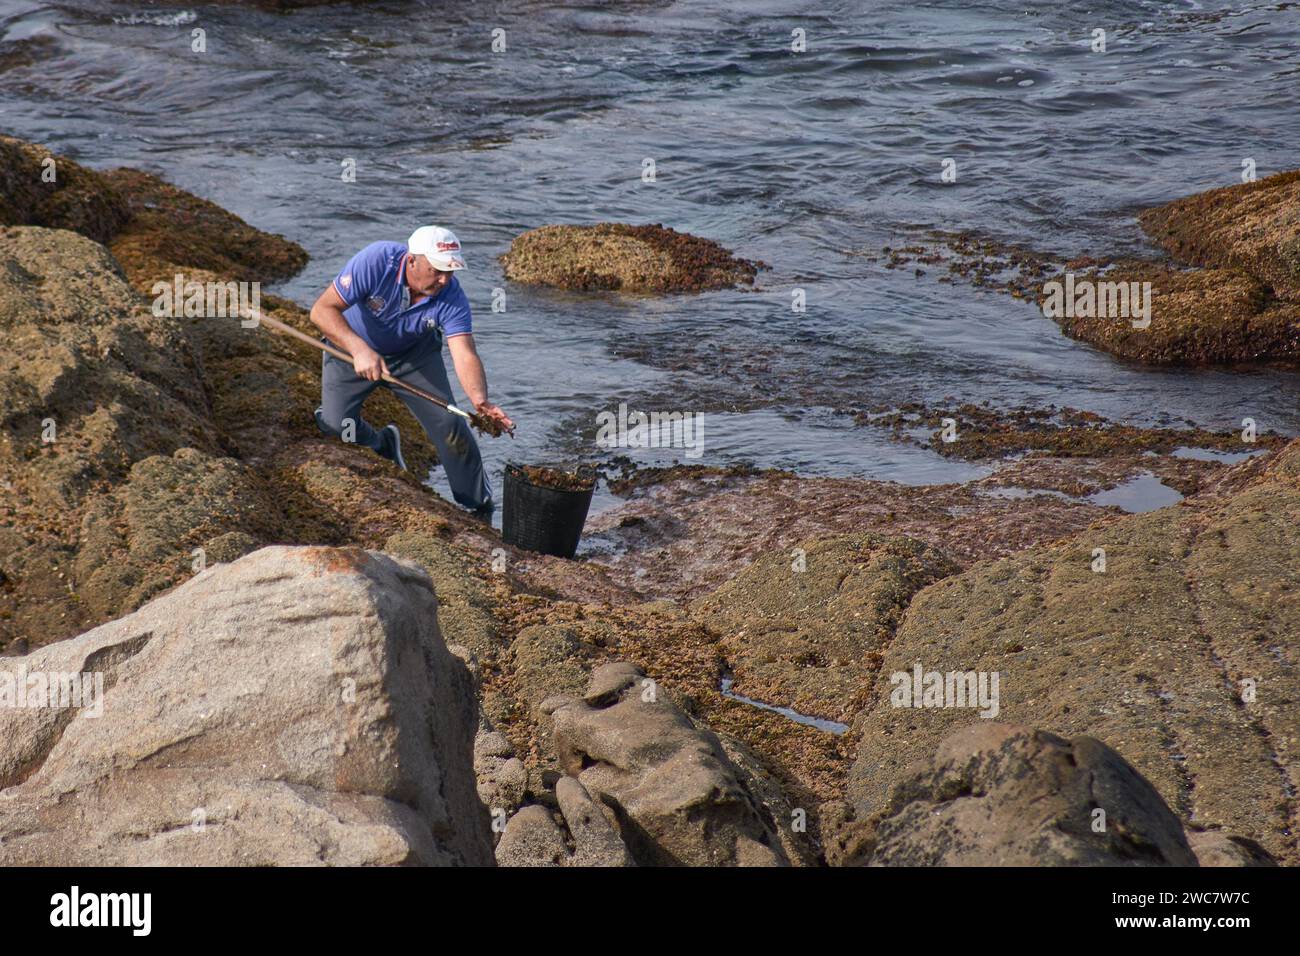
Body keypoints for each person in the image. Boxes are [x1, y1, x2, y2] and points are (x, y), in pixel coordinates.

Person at [309, 226, 513, 515]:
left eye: (451, 271)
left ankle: (478, 505)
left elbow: (464, 354)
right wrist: (358, 349)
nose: (444, 279)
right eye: (437, 270)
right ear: (412, 259)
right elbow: (321, 310)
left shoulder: (451, 296)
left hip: (414, 356)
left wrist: (480, 401)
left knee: (450, 425)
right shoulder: (376, 261)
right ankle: (382, 443)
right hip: (350, 348)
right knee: (336, 425)